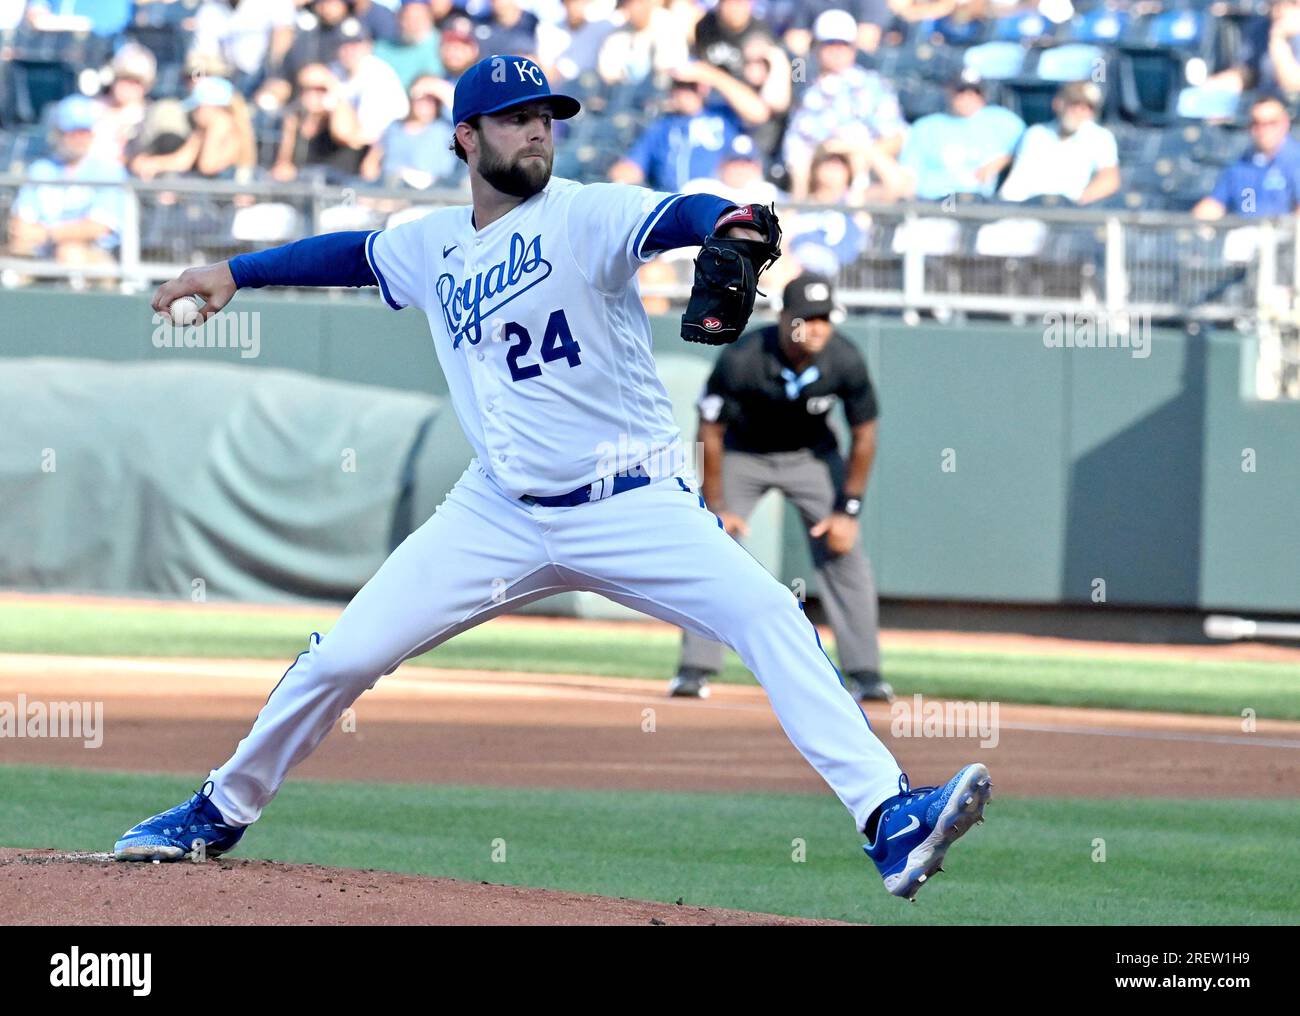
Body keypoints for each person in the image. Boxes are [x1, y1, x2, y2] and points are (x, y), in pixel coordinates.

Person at [114, 54, 991, 902]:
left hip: (631, 501)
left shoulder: (585, 213)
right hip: (496, 510)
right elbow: (352, 254)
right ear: (466, 137)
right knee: (341, 656)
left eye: (547, 118)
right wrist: (232, 271)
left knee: (770, 616)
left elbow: (675, 213)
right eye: (518, 119)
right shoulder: (430, 244)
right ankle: (219, 809)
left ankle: (888, 816)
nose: (539, 132)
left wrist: (727, 220)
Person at [669, 273, 892, 704]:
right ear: (784, 317)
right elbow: (709, 430)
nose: (817, 328)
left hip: (811, 457)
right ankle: (695, 668)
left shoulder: (843, 359)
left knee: (844, 550)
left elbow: (865, 434)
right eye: (806, 319)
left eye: (824, 319)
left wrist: (848, 510)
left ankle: (865, 672)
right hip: (743, 455)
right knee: (711, 544)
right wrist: (714, 504)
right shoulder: (745, 357)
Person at [781, 8, 905, 199]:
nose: (837, 50)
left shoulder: (872, 85)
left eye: (844, 44)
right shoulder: (804, 87)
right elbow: (796, 145)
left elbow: (893, 139)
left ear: (853, 48)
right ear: (816, 47)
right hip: (813, 181)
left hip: (860, 179)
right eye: (830, 44)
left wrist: (851, 153)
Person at [9, 95, 126, 268]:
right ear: (58, 133)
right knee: (15, 254)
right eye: (72, 132)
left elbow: (98, 227)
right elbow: (21, 222)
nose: (80, 139)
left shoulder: (109, 171)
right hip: (41, 251)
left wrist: (47, 234)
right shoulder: (41, 169)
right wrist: (34, 235)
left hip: (97, 256)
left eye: (84, 132)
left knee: (69, 252)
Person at [893, 69, 1025, 200]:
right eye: (961, 91)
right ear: (949, 92)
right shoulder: (926, 127)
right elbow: (909, 175)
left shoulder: (1005, 121)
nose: (968, 97)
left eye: (975, 92)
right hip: (936, 202)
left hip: (982, 204)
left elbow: (1028, 152)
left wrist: (1002, 160)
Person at [608, 68, 747, 192]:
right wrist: (621, 177)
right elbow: (633, 165)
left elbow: (758, 113)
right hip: (673, 204)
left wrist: (713, 76)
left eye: (692, 86)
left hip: (718, 200)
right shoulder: (663, 126)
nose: (685, 92)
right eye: (680, 86)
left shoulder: (723, 115)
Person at [998, 81, 1119, 205]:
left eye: (1087, 107)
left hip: (1070, 213)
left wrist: (1077, 205)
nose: (1079, 111)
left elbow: (1109, 179)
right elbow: (1016, 182)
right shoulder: (1036, 134)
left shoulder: (1100, 137)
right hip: (1028, 209)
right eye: (1074, 104)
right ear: (1058, 103)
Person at [1194, 95, 1300, 219]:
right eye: (1256, 123)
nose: (1263, 129)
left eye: (1271, 123)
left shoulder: (1295, 161)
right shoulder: (1240, 165)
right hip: (1245, 232)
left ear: (1285, 123)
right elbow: (1214, 205)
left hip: (1284, 234)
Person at [130, 76, 255, 180]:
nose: (193, 113)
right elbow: (182, 160)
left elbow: (208, 165)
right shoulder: (201, 133)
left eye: (197, 107)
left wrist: (215, 129)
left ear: (210, 107)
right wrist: (152, 163)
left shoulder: (231, 132)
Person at [360, 73, 464, 188]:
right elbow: (370, 164)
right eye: (420, 98)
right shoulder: (394, 127)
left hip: (433, 193)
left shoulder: (446, 128)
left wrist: (434, 87)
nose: (425, 104)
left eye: (430, 99)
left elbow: (462, 113)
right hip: (391, 191)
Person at [270, 63, 367, 182]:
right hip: (305, 188)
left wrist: (333, 95)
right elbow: (283, 162)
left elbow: (342, 134)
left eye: (319, 89)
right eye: (306, 88)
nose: (312, 94)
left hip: (339, 187)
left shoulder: (342, 113)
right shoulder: (295, 120)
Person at [374, 0, 445, 89]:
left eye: (418, 17)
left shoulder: (443, 44)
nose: (413, 23)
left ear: (430, 17)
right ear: (398, 18)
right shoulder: (383, 48)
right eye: (408, 17)